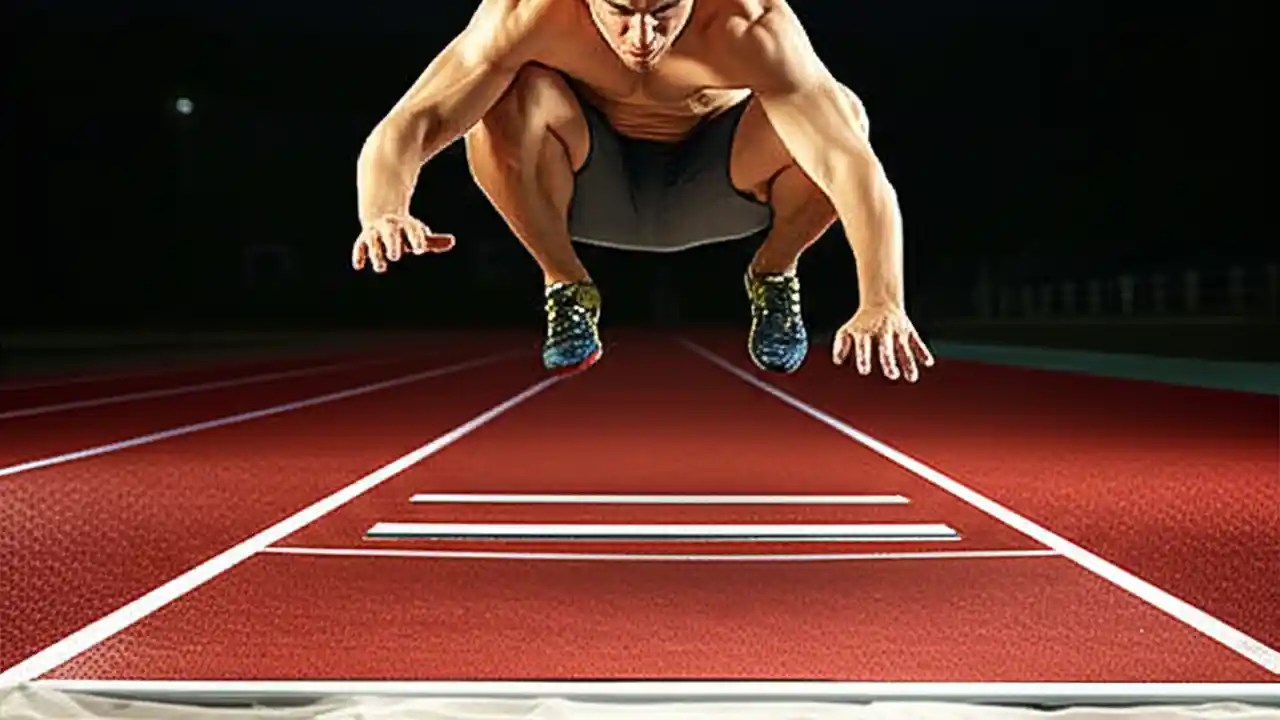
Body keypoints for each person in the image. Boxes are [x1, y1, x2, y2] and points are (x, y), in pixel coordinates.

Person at [351, 0, 935, 382]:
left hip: (722, 184)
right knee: (504, 102)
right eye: (621, 13)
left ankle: (774, 272)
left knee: (841, 117)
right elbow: (417, 118)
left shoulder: (750, 25)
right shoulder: (529, 12)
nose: (643, 38)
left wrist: (882, 299)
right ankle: (566, 284)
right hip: (586, 185)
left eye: (663, 12)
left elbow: (852, 167)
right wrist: (384, 209)